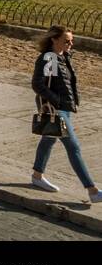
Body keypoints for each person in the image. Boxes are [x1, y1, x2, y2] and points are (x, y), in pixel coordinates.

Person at [30, 25, 101, 201]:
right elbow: (38, 85)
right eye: (66, 41)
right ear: (54, 39)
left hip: (64, 107)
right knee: (73, 146)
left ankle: (37, 177)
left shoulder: (63, 57)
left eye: (71, 41)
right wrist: (58, 101)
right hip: (56, 108)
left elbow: (64, 83)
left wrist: (71, 102)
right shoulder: (50, 59)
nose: (70, 44)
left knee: (48, 139)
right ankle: (92, 191)